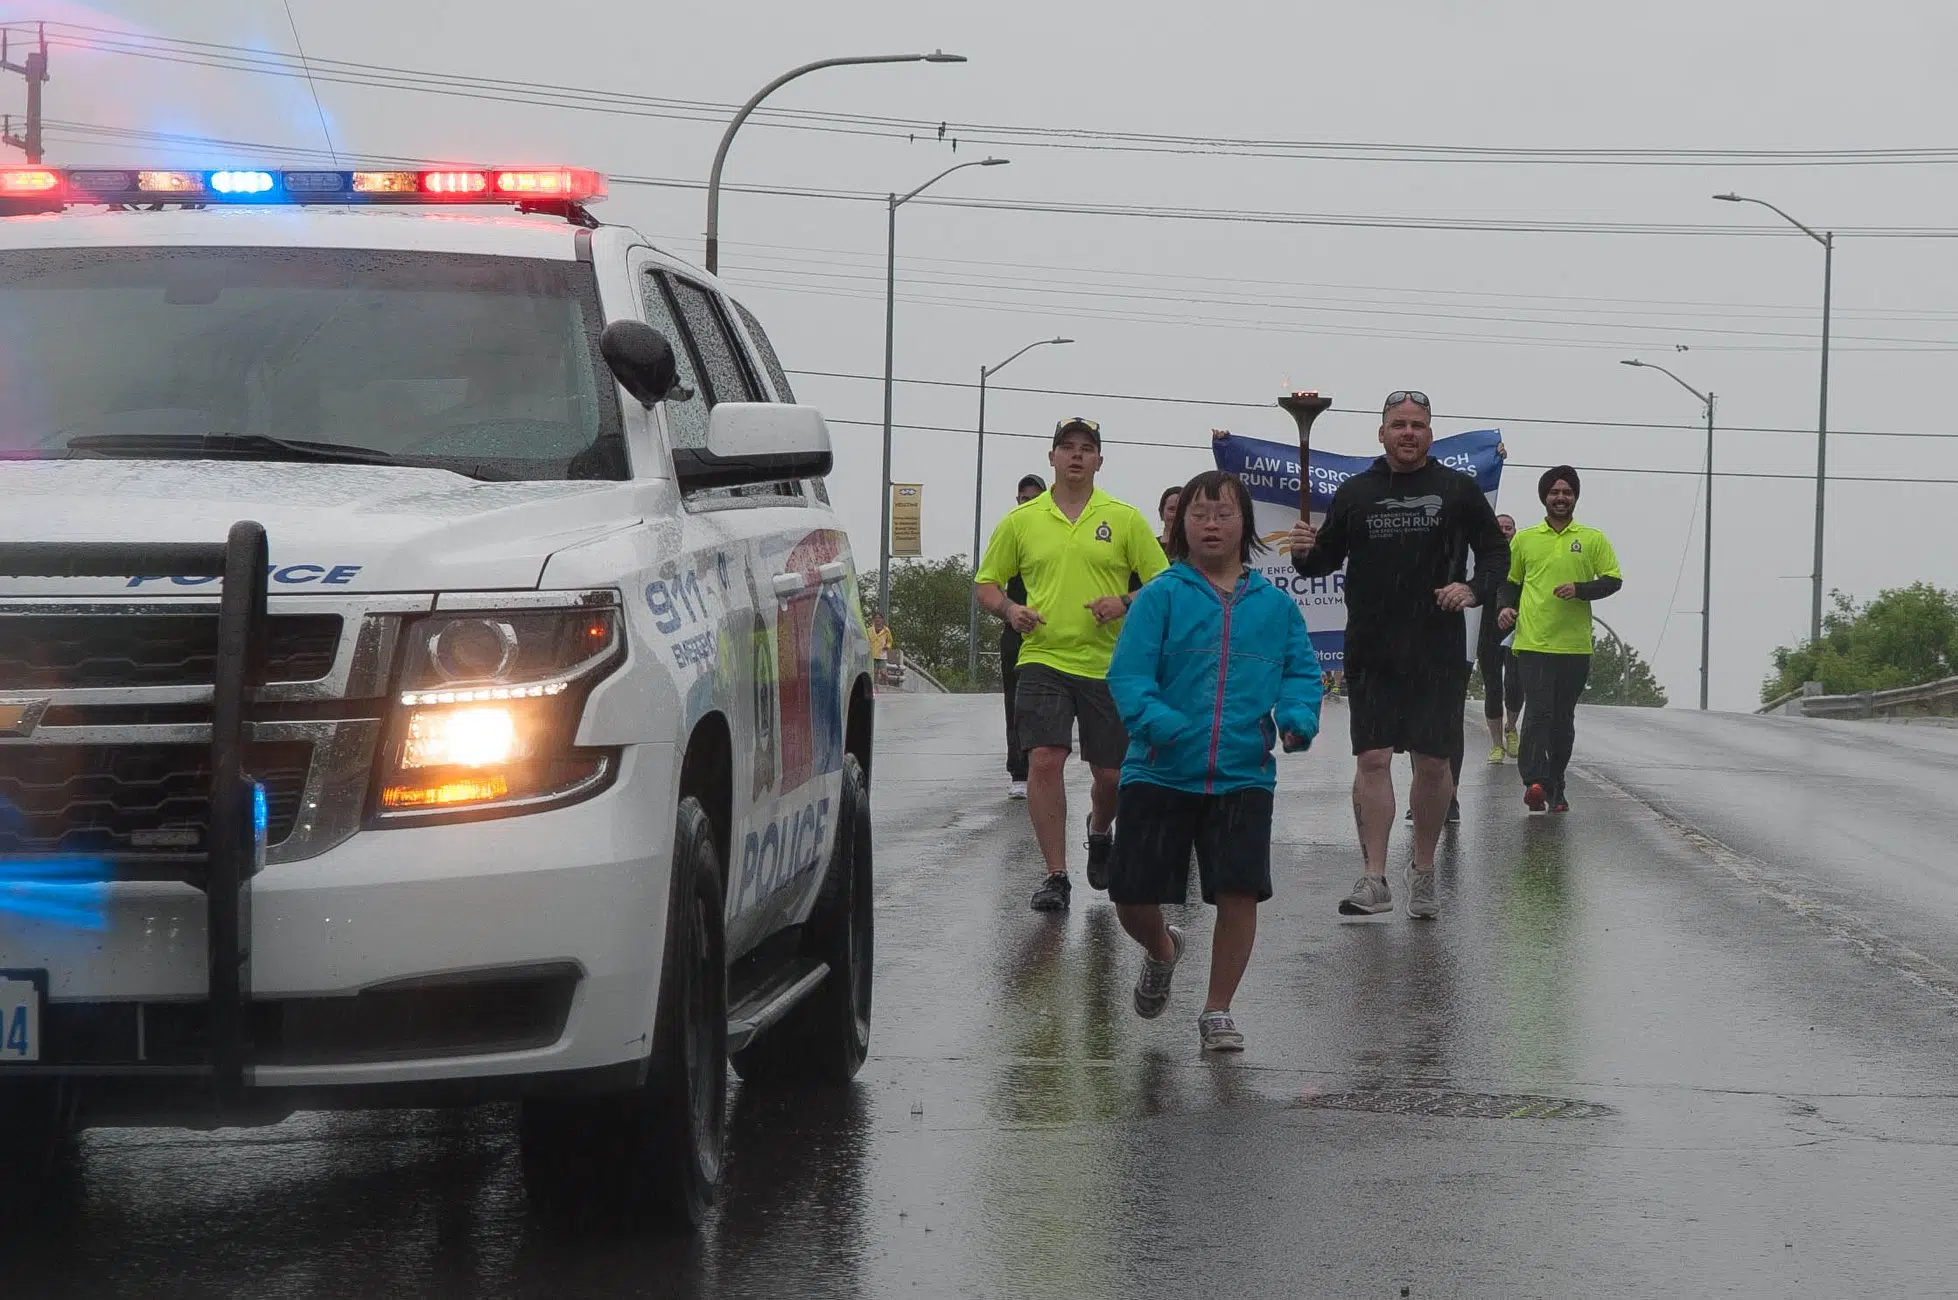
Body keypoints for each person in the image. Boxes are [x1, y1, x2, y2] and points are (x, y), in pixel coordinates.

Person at [1106, 470, 1321, 1051]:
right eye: (1197, 515)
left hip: (1242, 774)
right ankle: (1162, 948)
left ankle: (1218, 1010)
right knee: (1130, 896)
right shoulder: (1160, 597)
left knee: (1239, 891)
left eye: (1223, 514)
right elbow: (1127, 677)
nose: (1209, 525)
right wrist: (1161, 725)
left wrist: (1298, 717)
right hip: (1159, 768)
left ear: (1244, 524)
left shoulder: (1275, 608)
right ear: (1179, 526)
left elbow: (1301, 672)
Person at [1289, 390, 1508, 920]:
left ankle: (1425, 871)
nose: (1408, 432)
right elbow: (1319, 563)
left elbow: (1496, 552)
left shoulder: (1456, 489)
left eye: (1417, 424)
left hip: (1436, 646)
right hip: (1372, 645)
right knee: (1373, 759)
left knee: (1432, 764)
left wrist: (1474, 589)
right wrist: (1303, 552)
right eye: (1398, 424)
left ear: (1430, 434)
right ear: (1381, 433)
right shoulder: (1357, 492)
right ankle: (1373, 878)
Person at [975, 418, 1170, 911]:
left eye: (1087, 449)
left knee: (1111, 778)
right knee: (1044, 758)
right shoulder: (1022, 521)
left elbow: (1165, 584)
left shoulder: (1123, 518)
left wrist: (1124, 603)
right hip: (1043, 656)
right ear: (1052, 457)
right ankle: (1056, 876)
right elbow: (986, 584)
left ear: (1099, 461)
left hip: (1108, 665)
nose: (1077, 456)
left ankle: (1100, 829)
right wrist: (1010, 610)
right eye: (1068, 447)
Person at [1498, 466, 1623, 814]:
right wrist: (1505, 608)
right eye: (1554, 492)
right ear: (1544, 497)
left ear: (1575, 497)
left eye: (1567, 492)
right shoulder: (1525, 539)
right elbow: (1509, 582)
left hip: (1574, 646)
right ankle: (1535, 783)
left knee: (1562, 719)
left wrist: (1580, 590)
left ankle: (1557, 783)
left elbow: (1613, 580)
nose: (1561, 498)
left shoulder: (1592, 538)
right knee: (1538, 713)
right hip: (1533, 643)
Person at [999, 473, 1048, 799]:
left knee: (1047, 708)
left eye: (1034, 499)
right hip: (1017, 635)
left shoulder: (1059, 534)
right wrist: (1009, 610)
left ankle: (1044, 768)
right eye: (1022, 499)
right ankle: (1019, 770)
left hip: (1054, 635)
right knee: (1015, 704)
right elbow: (987, 583)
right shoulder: (1011, 533)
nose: (1027, 504)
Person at [1481, 513, 1524, 762]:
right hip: (1487, 629)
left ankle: (1511, 727)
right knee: (1493, 686)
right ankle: (1496, 744)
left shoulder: (1522, 557)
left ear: (1515, 532)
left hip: (1517, 627)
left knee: (1516, 684)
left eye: (1509, 527)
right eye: (1501, 527)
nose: (1505, 531)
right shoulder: (1483, 556)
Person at [868, 611, 895, 687]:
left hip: (881, 653)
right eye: (876, 618)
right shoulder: (869, 630)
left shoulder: (886, 630)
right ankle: (875, 685)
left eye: (879, 618)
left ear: (882, 620)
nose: (877, 619)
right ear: (873, 620)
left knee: (883, 671)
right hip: (872, 653)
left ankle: (886, 683)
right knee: (875, 671)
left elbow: (890, 641)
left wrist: (887, 646)